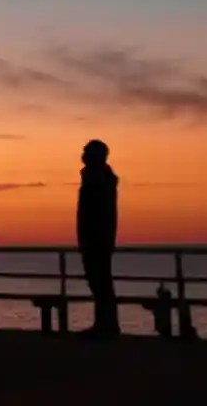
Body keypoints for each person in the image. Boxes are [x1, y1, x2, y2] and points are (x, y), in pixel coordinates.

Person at [77, 139, 119, 337]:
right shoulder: (97, 177)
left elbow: (95, 212)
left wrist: (92, 236)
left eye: (86, 151)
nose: (83, 154)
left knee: (100, 282)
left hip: (97, 238)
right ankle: (104, 324)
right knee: (98, 283)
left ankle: (106, 326)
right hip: (93, 237)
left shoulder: (99, 178)